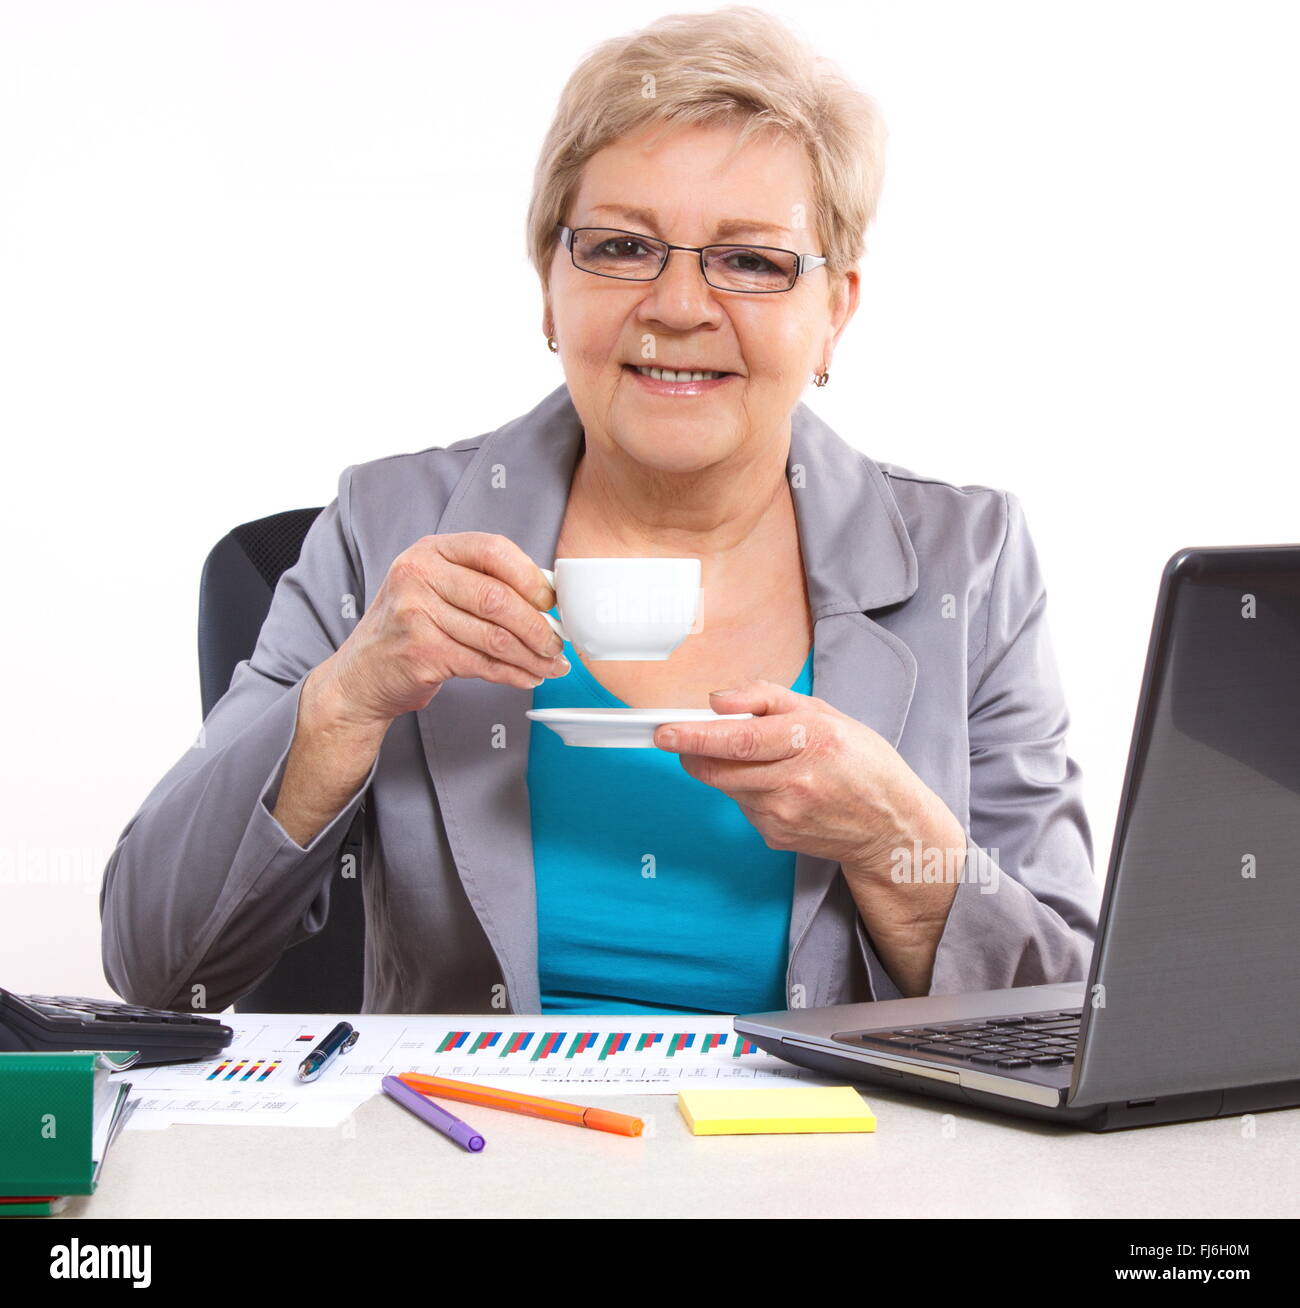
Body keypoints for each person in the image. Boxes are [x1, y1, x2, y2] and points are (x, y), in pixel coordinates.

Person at [101, 6, 1098, 1017]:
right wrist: (346, 698)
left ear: (833, 309)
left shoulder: (966, 562)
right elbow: (156, 962)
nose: (676, 306)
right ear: (549, 286)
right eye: (622, 247)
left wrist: (898, 844)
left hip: (831, 1164)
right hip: (472, 1149)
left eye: (749, 260)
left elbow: (1070, 1017)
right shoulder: (384, 525)